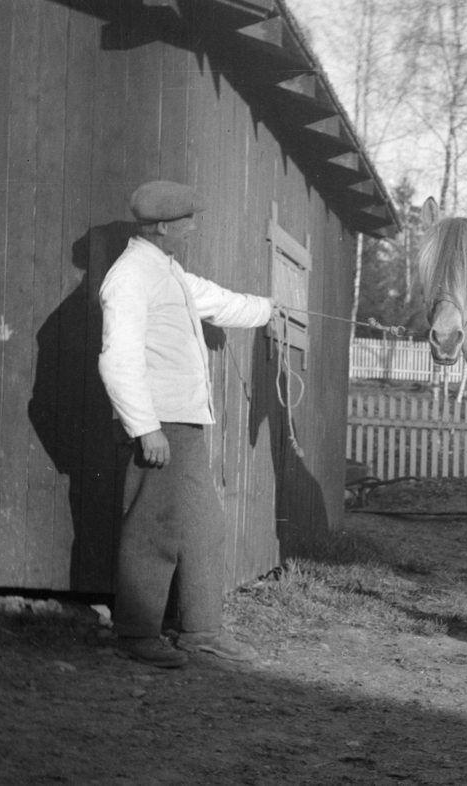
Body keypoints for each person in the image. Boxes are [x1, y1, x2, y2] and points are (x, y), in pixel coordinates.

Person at [98, 180, 276, 668]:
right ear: (159, 227)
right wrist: (144, 426)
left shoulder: (167, 271)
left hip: (185, 425)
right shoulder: (130, 276)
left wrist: (270, 311)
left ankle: (201, 632)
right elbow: (117, 359)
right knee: (153, 528)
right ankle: (136, 634)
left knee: (203, 526)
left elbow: (217, 301)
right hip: (159, 426)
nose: (193, 229)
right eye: (185, 222)